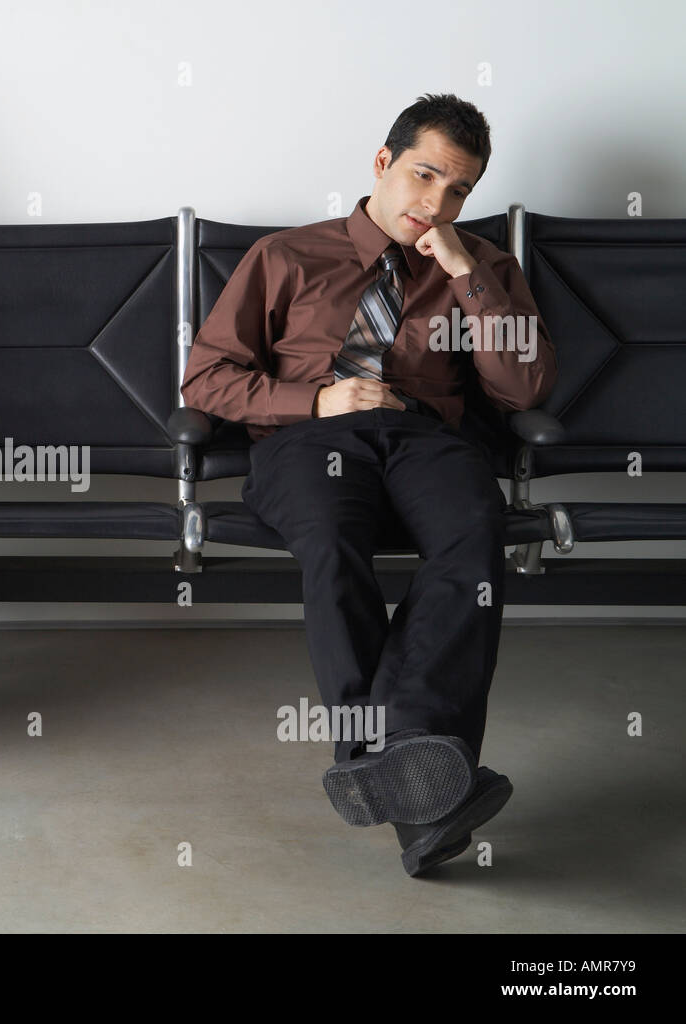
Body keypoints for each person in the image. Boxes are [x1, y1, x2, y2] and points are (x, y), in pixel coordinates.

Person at [180, 94, 557, 875]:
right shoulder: (285, 255)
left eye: (459, 191)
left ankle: (384, 762)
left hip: (425, 437)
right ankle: (414, 779)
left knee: (473, 536)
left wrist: (466, 275)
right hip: (308, 437)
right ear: (382, 164)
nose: (438, 204)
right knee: (330, 542)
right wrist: (314, 399)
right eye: (425, 177)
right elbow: (205, 379)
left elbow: (524, 390)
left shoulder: (481, 265)